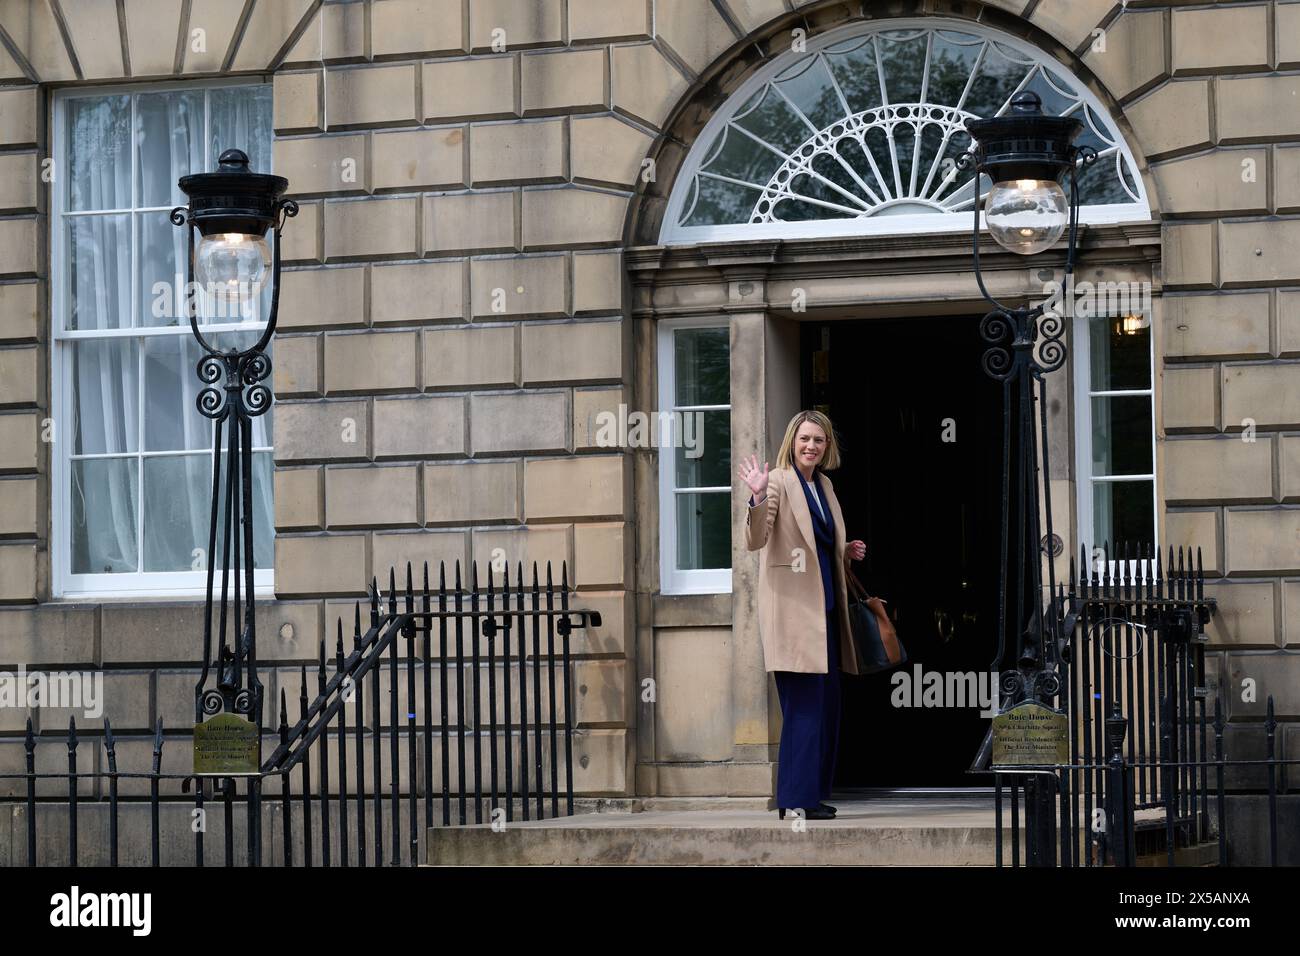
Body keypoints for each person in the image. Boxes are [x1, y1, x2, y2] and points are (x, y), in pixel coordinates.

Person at [738, 410, 866, 821]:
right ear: (792, 441)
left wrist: (845, 551)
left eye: (820, 440)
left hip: (826, 612)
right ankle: (795, 800)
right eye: (805, 439)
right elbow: (756, 539)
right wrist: (756, 497)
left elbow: (815, 544)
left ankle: (809, 794)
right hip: (794, 616)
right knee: (804, 707)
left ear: (827, 447)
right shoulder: (776, 481)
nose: (811, 446)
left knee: (826, 706)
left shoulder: (824, 485)